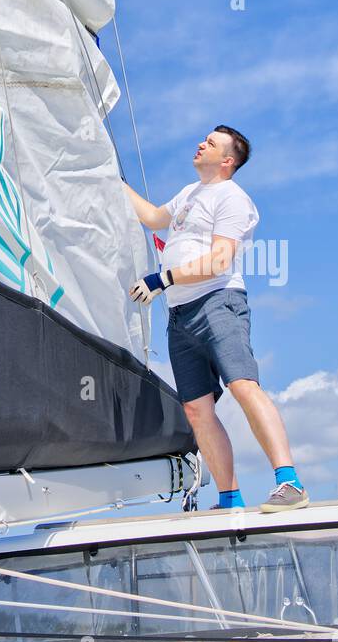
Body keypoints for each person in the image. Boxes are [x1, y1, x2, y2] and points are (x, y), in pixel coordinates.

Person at [124, 126, 308, 513]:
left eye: (210, 143)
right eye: (202, 139)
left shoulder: (232, 197)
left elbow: (222, 258)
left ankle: (289, 482)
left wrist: (163, 278)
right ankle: (229, 498)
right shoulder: (189, 194)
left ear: (227, 160)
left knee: (243, 385)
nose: (200, 143)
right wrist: (112, 178)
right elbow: (155, 218)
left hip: (218, 303)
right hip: (180, 315)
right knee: (196, 409)